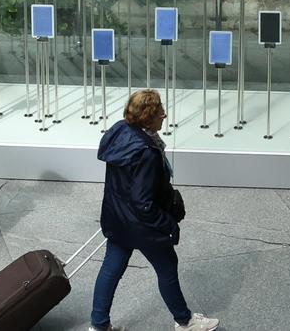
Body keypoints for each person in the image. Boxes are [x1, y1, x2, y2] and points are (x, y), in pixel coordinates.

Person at [89, 90, 219, 331]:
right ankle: (185, 321)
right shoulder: (147, 152)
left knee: (111, 268)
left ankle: (98, 325)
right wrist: (168, 224)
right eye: (160, 111)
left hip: (118, 218)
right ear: (148, 116)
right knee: (167, 268)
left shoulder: (119, 131)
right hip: (142, 225)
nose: (164, 114)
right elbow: (143, 202)